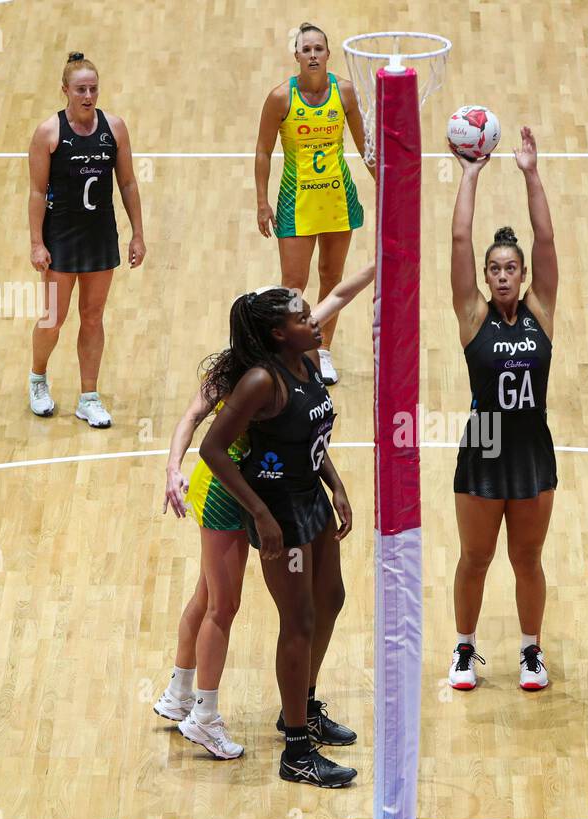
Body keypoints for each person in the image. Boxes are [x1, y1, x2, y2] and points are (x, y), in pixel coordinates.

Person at [154, 264, 372, 765]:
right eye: (299, 312)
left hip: (294, 490)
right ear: (274, 330)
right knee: (221, 604)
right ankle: (204, 711)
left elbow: (306, 434)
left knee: (225, 597)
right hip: (237, 493)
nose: (312, 318)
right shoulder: (243, 375)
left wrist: (334, 483)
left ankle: (182, 694)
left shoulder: (303, 361)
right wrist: (173, 468)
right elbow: (197, 427)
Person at [446, 126, 558, 693]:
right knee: (475, 556)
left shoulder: (541, 309)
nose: (504, 275)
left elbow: (546, 241)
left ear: (522, 274)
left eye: (511, 267)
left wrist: (530, 174)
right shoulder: (473, 317)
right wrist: (470, 174)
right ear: (486, 278)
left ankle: (531, 651)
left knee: (528, 558)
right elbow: (461, 242)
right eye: (495, 269)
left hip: (533, 447)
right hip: (484, 443)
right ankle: (465, 649)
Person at [27, 52, 145, 427]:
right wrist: (36, 242)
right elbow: (35, 191)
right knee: (52, 318)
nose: (88, 95)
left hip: (99, 236)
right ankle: (38, 379)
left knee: (92, 318)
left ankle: (89, 397)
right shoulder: (48, 133)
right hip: (60, 238)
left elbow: (127, 182)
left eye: (93, 88)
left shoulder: (115, 127)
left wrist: (138, 234)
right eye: (81, 89)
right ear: (65, 90)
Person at [254, 22, 372, 386]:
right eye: (306, 49)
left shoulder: (346, 93)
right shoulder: (280, 98)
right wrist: (262, 201)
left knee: (331, 278)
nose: (313, 55)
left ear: (328, 53)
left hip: (338, 199)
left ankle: (322, 351)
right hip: (295, 201)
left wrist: (388, 189)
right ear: (296, 56)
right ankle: (291, 353)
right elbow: (263, 150)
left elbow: (366, 148)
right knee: (293, 285)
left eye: (319, 48)